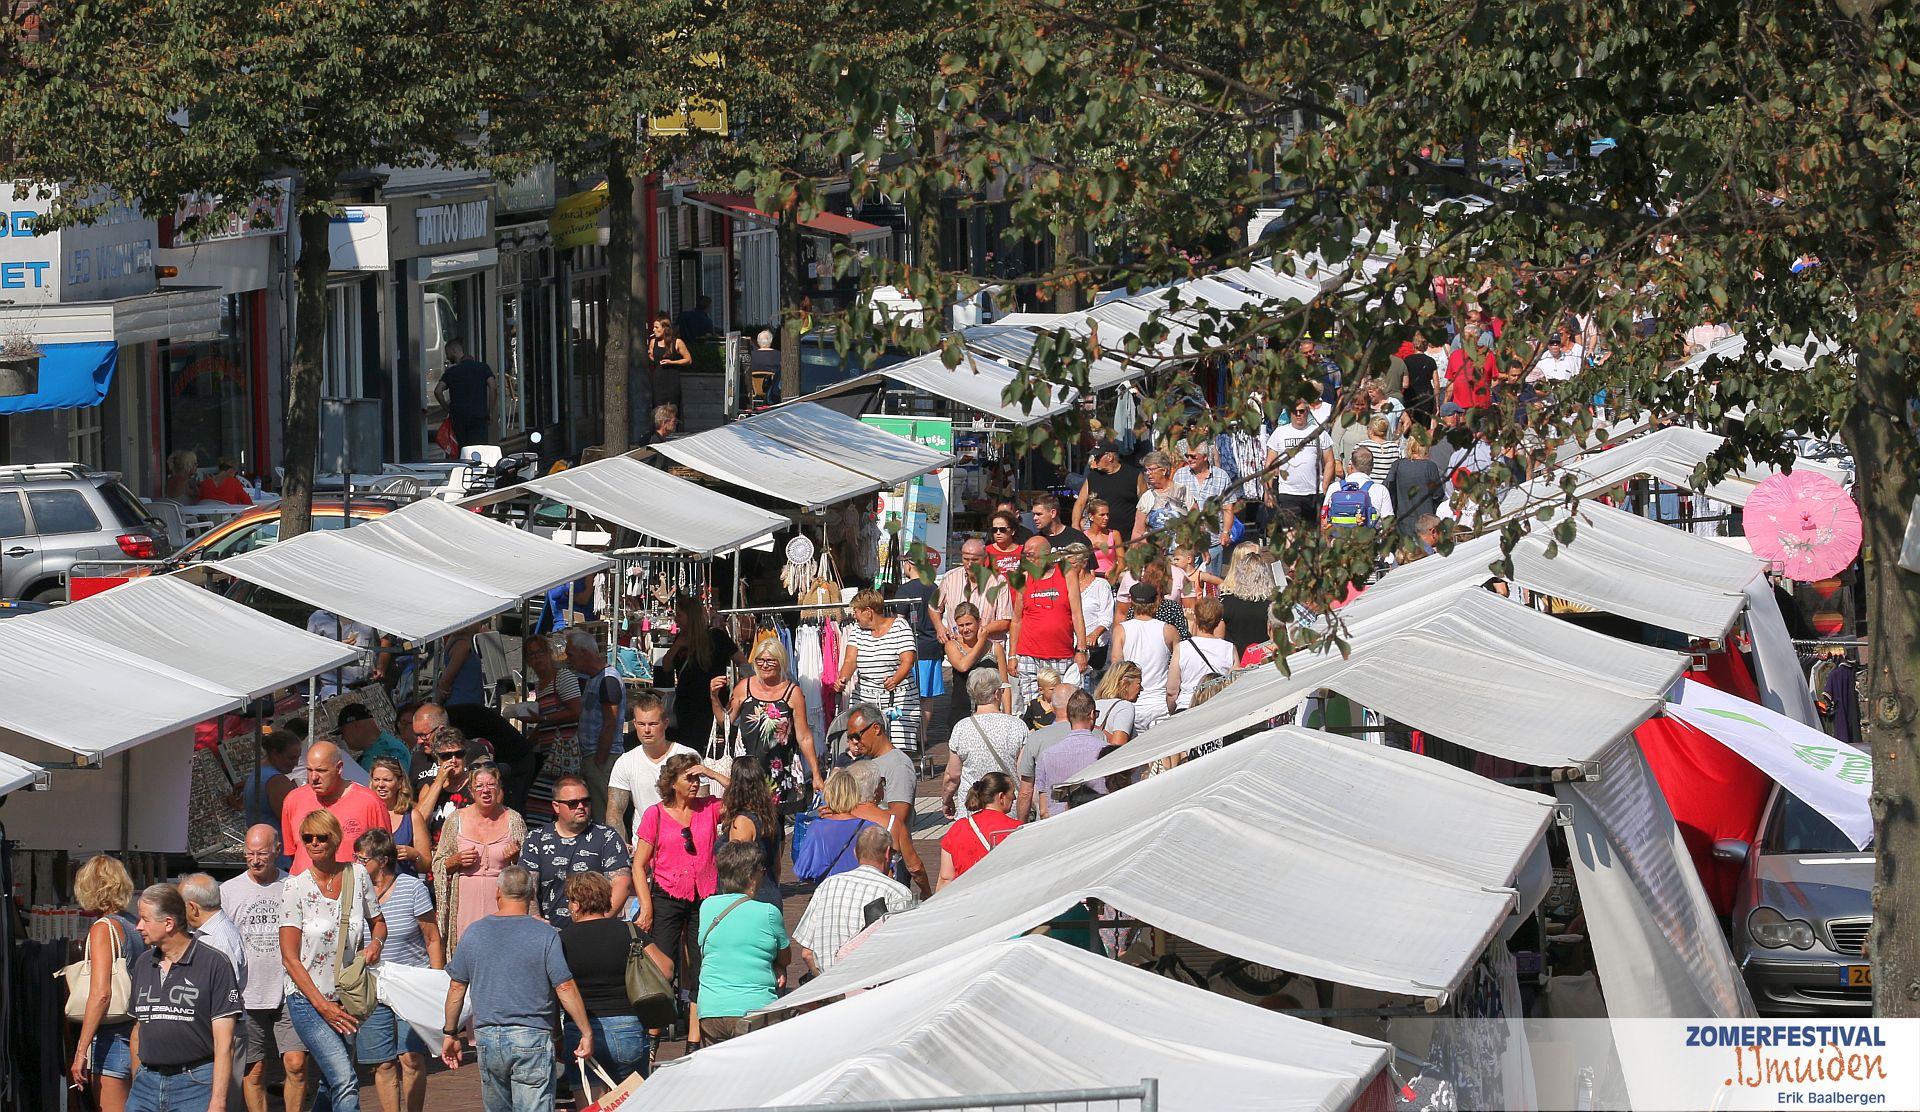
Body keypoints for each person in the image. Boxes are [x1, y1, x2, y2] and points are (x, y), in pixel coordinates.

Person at [440, 866, 593, 1112]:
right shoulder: (545, 934)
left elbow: (457, 987)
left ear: (497, 893)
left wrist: (449, 1032)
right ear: (532, 894)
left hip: (489, 1035)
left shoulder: (475, 932)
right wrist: (586, 1031)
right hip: (531, 1033)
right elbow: (564, 986)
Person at [278, 810, 385, 1112]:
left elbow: (378, 922)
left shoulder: (358, 875)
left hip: (346, 998)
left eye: (321, 837)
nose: (313, 843)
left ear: (335, 839)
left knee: (330, 1082)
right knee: (345, 1079)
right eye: (307, 838)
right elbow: (289, 957)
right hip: (307, 1001)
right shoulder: (294, 888)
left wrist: (375, 944)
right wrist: (323, 1007)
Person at [632, 753, 726, 1049]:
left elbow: (745, 797)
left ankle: (694, 1040)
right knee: (663, 967)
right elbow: (639, 865)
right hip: (667, 894)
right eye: (690, 778)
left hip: (705, 895)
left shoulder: (709, 808)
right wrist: (646, 905)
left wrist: (712, 772)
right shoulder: (655, 815)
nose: (696, 783)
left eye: (698, 777)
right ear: (672, 783)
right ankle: (653, 1038)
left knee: (701, 966)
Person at [127, 883, 243, 1112]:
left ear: (168, 923)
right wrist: (138, 1078)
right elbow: (138, 1030)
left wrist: (218, 1101)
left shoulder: (214, 963)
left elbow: (224, 1042)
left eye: (145, 919)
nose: (138, 927)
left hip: (194, 1085)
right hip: (145, 1085)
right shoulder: (143, 963)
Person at [350, 830, 440, 1112]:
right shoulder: (352, 891)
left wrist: (436, 982)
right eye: (355, 857)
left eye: (362, 859)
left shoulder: (412, 888)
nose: (357, 864)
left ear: (383, 860)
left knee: (411, 1057)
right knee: (383, 1062)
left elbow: (432, 937)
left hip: (410, 982)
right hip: (372, 985)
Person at [558, 872, 670, 1096]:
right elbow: (666, 969)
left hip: (579, 1030)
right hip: (627, 1025)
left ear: (577, 904)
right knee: (630, 1102)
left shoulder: (562, 939)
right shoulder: (628, 932)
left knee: (588, 1101)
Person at [222, 827, 310, 1112]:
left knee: (296, 1065)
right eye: (249, 853)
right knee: (255, 1069)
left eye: (262, 853)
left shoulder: (295, 885)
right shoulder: (228, 891)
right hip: (248, 993)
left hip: (290, 989)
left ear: (277, 850)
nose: (255, 860)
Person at [69, 855, 146, 1112]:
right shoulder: (134, 924)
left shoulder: (102, 928)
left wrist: (81, 1051)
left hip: (111, 1037)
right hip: (136, 1032)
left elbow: (101, 994)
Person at [695, 843, 791, 1045]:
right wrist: (777, 965)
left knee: (719, 1073)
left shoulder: (707, 907)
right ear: (752, 876)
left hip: (711, 1009)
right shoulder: (768, 912)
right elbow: (785, 956)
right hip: (753, 1009)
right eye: (761, 871)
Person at [712, 632, 821, 809]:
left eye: (770, 661)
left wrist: (816, 773)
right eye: (760, 661)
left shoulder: (793, 693)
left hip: (781, 771)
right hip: (748, 772)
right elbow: (724, 722)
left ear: (781, 662)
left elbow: (804, 736)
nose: (764, 665)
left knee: (777, 829)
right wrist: (714, 697)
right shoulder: (744, 687)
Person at [792, 825, 917, 975]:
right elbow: (903, 953)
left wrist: (825, 984)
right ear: (887, 853)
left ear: (855, 852)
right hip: (871, 987)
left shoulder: (828, 885)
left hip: (828, 987)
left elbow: (807, 953)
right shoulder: (898, 893)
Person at [431, 762, 526, 958]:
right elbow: (438, 864)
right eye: (480, 786)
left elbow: (528, 870)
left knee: (500, 957)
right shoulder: (455, 820)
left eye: (491, 785)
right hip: (465, 905)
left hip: (502, 905)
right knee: (467, 956)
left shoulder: (514, 819)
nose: (486, 791)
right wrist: (455, 861)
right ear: (471, 790)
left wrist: (516, 859)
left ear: (499, 788)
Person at [522, 775, 632, 929]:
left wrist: (598, 921)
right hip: (549, 933)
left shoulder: (607, 837)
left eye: (585, 801)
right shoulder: (536, 839)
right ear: (556, 806)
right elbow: (527, 886)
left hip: (595, 932)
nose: (581, 806)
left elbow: (622, 883)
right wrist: (535, 921)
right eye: (572, 803)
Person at [282, 742, 391, 875]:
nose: (314, 777)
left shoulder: (370, 803)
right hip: (303, 890)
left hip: (350, 890)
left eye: (321, 771)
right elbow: (292, 853)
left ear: (339, 768)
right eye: (309, 770)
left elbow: (385, 856)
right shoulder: (293, 801)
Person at [606, 692, 699, 843]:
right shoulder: (625, 762)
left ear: (666, 723)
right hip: (644, 845)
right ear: (634, 724)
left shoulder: (687, 756)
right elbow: (614, 811)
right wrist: (621, 848)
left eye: (653, 724)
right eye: (642, 724)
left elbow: (701, 805)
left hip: (684, 842)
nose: (647, 730)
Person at [1007, 536, 1087, 709]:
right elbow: (1017, 620)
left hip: (1061, 654)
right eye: (1026, 556)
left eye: (1032, 556)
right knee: (1032, 706)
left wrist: (1081, 649)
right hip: (1029, 654)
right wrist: (1012, 655)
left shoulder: (1066, 574)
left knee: (1062, 705)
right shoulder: (1023, 578)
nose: (1028, 560)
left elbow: (1077, 614)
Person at [837, 589, 917, 752]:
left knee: (895, 749)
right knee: (864, 746)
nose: (854, 615)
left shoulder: (900, 626)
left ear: (868, 611)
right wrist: (843, 678)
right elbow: (850, 660)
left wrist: (896, 679)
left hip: (898, 696)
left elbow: (908, 660)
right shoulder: (858, 631)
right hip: (865, 696)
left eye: (856, 611)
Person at [941, 669, 1028, 820]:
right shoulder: (1017, 726)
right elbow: (1024, 774)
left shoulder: (961, 728)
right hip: (1007, 808)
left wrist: (946, 800)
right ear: (996, 694)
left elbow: (952, 775)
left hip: (972, 809)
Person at [518, 634, 583, 826]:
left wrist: (543, 718)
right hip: (550, 753)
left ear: (549, 654)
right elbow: (544, 722)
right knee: (551, 803)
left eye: (540, 652)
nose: (537, 658)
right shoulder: (540, 685)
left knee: (545, 801)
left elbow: (576, 711)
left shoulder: (562, 677)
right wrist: (528, 743)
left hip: (565, 752)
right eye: (531, 655)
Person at [661, 594, 739, 751]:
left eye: (679, 615)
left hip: (711, 706)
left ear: (691, 616)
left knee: (707, 749)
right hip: (685, 707)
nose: (676, 619)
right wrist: (677, 646)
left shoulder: (716, 637)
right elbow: (666, 667)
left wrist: (738, 695)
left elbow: (743, 663)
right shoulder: (680, 639)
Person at [564, 629, 627, 820]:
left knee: (606, 815)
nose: (568, 659)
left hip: (604, 758)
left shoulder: (608, 679)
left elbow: (610, 723)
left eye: (571, 655)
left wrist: (599, 761)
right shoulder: (594, 678)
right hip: (592, 756)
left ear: (585, 653)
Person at [892, 550, 945, 753]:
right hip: (933, 646)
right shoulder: (935, 588)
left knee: (909, 695)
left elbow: (899, 622)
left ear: (909, 564)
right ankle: (922, 734)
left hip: (912, 649)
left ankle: (910, 735)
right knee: (927, 697)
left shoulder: (904, 590)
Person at [1031, 690, 1111, 816]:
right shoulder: (1107, 751)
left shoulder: (1047, 755)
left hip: (1060, 828)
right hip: (1098, 824)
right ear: (1091, 714)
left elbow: (1044, 810)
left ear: (1068, 716)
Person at [1111, 582, 1177, 734]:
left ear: (1132, 603)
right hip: (1160, 704)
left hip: (1132, 705)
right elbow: (1178, 666)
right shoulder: (1168, 630)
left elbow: (1116, 667)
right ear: (1155, 603)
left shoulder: (1121, 630)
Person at [717, 755, 784, 906]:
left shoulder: (742, 822)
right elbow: (777, 866)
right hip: (770, 894)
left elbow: (737, 870)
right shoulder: (770, 818)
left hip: (748, 901)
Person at [937, 773, 1019, 889]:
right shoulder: (1017, 830)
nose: (1014, 798)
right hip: (1002, 895)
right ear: (1001, 797)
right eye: (1012, 793)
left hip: (965, 898)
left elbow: (946, 878)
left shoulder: (959, 827)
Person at [1264, 399, 1333, 528]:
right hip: (1288, 493)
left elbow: (1329, 461)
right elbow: (1269, 464)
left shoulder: (1319, 432)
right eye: (1295, 412)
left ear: (1307, 412)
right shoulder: (1279, 432)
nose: (1298, 414)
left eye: (1301, 411)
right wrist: (1268, 491)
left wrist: (1324, 486)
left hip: (1313, 493)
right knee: (1290, 533)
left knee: (1311, 535)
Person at [1172, 439, 1236, 567]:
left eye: (1193, 456)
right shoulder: (1180, 475)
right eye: (1187, 456)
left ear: (1205, 457)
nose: (1189, 459)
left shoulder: (1221, 477)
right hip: (1187, 543)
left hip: (1213, 541)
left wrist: (1226, 532)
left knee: (1211, 583)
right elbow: (1174, 508)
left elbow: (1228, 508)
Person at [935, 539, 1013, 645]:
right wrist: (939, 627)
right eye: (966, 559)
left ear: (985, 558)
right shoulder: (950, 577)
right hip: (957, 648)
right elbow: (934, 608)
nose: (970, 564)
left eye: (975, 560)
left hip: (988, 648)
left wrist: (976, 632)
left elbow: (1005, 621)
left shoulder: (998, 582)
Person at [412, 726, 479, 847]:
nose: (453, 760)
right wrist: (439, 782)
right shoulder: (429, 786)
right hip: (436, 857)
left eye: (459, 754)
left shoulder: (476, 785)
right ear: (438, 760)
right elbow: (418, 822)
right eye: (446, 756)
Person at [942, 602, 1006, 726]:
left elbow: (1004, 684)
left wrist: (1007, 714)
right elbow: (963, 666)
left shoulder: (995, 648)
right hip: (961, 713)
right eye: (961, 625)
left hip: (991, 713)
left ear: (979, 622)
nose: (965, 629)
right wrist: (981, 641)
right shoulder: (952, 646)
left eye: (969, 624)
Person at [1073, 441, 1144, 543]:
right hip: (1099, 539)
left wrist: (1139, 532)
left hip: (1128, 537)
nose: (1095, 461)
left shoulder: (1133, 475)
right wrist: (1075, 525)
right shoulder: (1093, 477)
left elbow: (1145, 504)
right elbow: (1080, 503)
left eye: (1098, 457)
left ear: (1110, 457)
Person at [1174, 597, 1235, 711]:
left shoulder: (1182, 648)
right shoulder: (1229, 648)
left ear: (1196, 618)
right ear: (1218, 621)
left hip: (1186, 705)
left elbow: (1172, 691)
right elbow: (1234, 682)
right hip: (1217, 705)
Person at [435, 339, 496, 451]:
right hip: (479, 416)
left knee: (462, 450)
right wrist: (490, 411)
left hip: (459, 418)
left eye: (447, 353)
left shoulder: (451, 372)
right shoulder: (483, 368)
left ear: (454, 351)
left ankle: (463, 468)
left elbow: (438, 391)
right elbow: (493, 386)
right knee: (480, 451)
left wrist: (448, 409)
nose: (447, 357)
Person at [1386, 432, 1449, 539]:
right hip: (1425, 520)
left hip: (1403, 519)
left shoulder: (1398, 465)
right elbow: (1437, 494)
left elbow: (1389, 488)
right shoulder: (1430, 466)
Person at [1218, 543, 1276, 657]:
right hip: (1265, 658)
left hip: (1237, 661)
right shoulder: (1272, 603)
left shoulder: (1226, 602)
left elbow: (1219, 639)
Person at [240, 727, 301, 833]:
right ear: (275, 753)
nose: (296, 763)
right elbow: (294, 822)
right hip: (279, 845)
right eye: (291, 758)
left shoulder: (258, 773)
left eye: (297, 757)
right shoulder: (276, 780)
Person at [1066, 543, 1113, 673]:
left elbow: (1107, 617)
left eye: (1072, 563)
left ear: (1084, 563)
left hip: (1094, 647)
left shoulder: (1101, 585)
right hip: (1069, 644)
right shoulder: (1065, 586)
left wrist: (1093, 635)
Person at [336, 706, 412, 784]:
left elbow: (396, 789)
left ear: (355, 726)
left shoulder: (389, 750)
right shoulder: (377, 749)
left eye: (343, 731)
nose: (342, 737)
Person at [1131, 450, 1192, 544]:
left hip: (1182, 551)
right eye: (1146, 470)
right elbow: (1138, 531)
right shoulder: (1147, 497)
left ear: (1164, 470)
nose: (1147, 473)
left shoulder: (1182, 491)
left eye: (1151, 469)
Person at [646, 313, 691, 413]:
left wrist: (672, 362)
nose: (653, 329)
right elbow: (652, 358)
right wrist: (649, 355)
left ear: (665, 328)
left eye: (656, 327)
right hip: (658, 378)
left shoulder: (677, 342)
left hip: (672, 379)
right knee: (658, 407)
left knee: (672, 407)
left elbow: (688, 359)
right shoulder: (653, 342)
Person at [1092, 661, 1142, 746]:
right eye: (1139, 683)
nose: (1141, 689)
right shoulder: (1124, 707)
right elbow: (1118, 746)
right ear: (1125, 684)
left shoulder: (1094, 704)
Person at [1081, 498, 1125, 577]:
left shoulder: (1114, 534)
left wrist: (1114, 573)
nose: (1106, 518)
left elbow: (1122, 562)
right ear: (1091, 516)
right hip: (1090, 579)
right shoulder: (1083, 536)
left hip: (1109, 578)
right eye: (1102, 515)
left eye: (1107, 514)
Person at [983, 511, 1026, 577]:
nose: (998, 533)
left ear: (1012, 531)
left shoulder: (1023, 552)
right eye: (994, 530)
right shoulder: (985, 552)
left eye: (1002, 529)